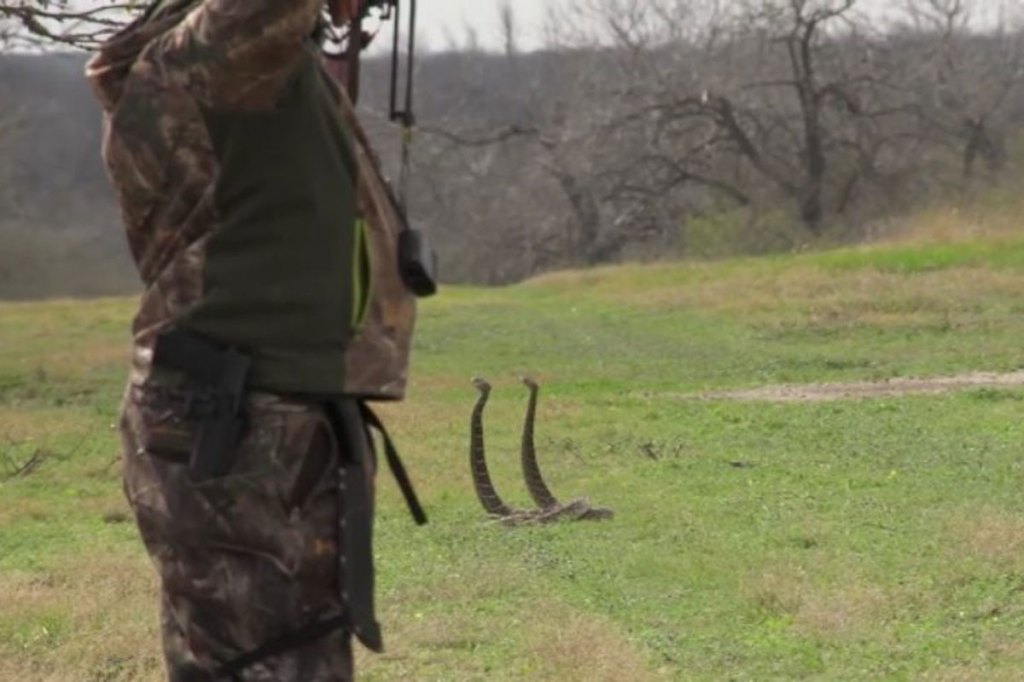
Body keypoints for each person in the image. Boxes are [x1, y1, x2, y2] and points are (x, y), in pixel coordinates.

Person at [85, 1, 423, 679]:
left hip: (252, 413)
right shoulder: (216, 54)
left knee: (260, 657)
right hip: (241, 423)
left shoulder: (228, 65)